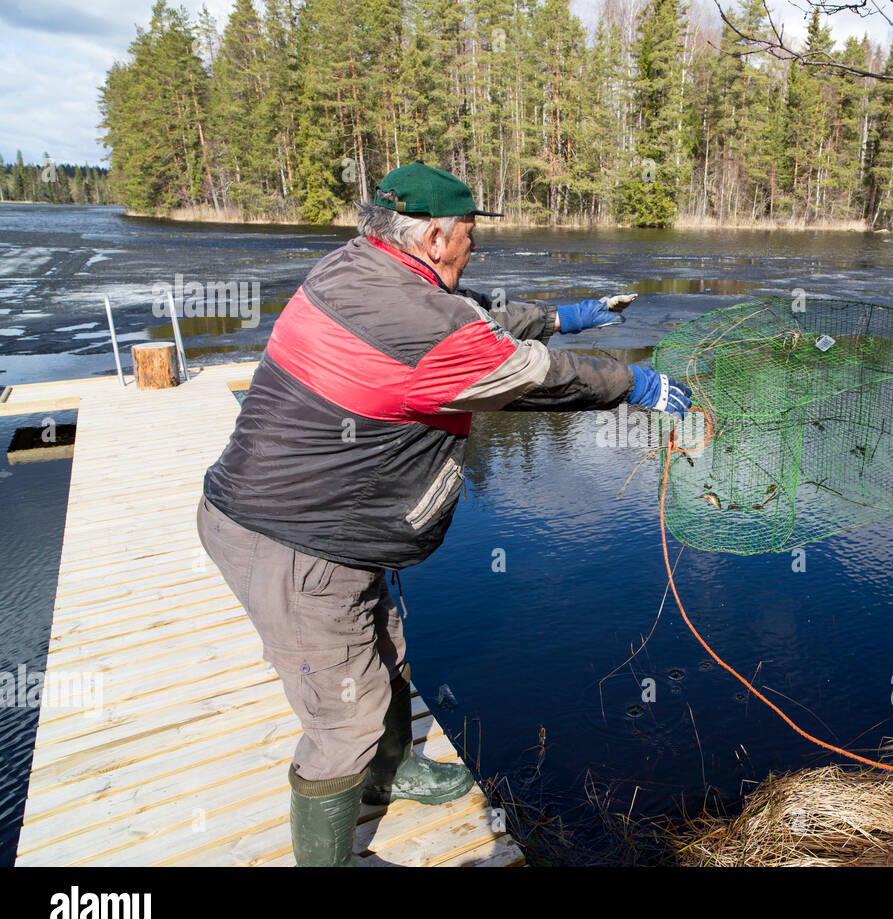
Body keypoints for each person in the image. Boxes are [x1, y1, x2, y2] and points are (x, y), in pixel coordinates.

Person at [196, 162, 691, 865]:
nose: (471, 250)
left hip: (323, 529)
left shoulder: (357, 268)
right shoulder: (419, 324)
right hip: (290, 541)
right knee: (345, 715)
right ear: (433, 235)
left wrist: (563, 317)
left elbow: (469, 311)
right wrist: (635, 382)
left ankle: (393, 771)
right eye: (468, 238)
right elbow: (533, 379)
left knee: (383, 650)